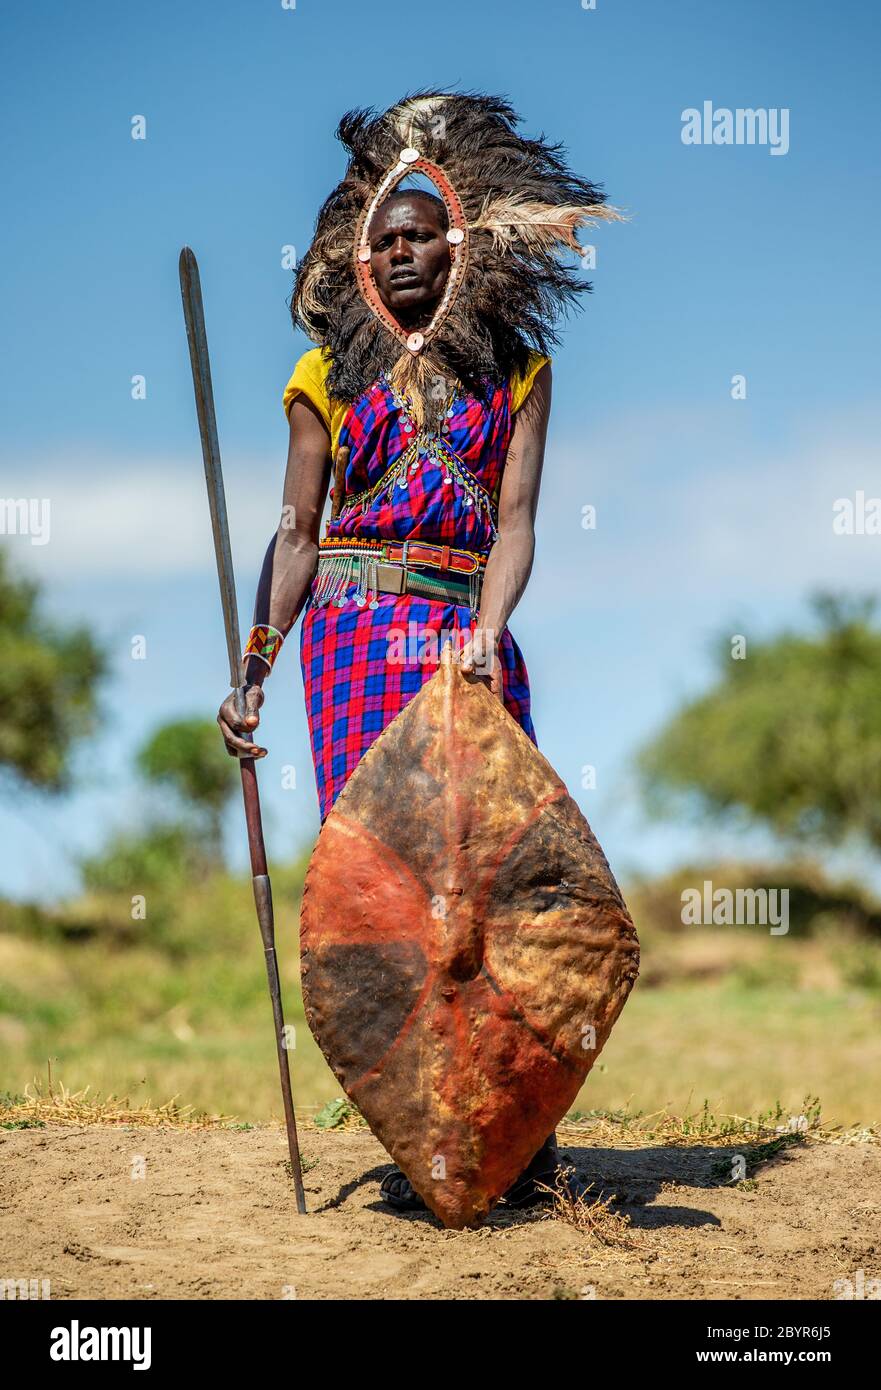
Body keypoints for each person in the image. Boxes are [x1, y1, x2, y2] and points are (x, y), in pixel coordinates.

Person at [217, 91, 617, 1214]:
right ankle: (420, 1134)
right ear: (359, 254)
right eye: (380, 242)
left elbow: (519, 521)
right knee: (390, 897)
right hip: (348, 633)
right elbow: (296, 529)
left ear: (459, 243)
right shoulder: (324, 377)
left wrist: (487, 629)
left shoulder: (517, 372)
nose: (398, 255)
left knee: (492, 882)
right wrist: (254, 660)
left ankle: (511, 1131)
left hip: (465, 637)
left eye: (417, 237)